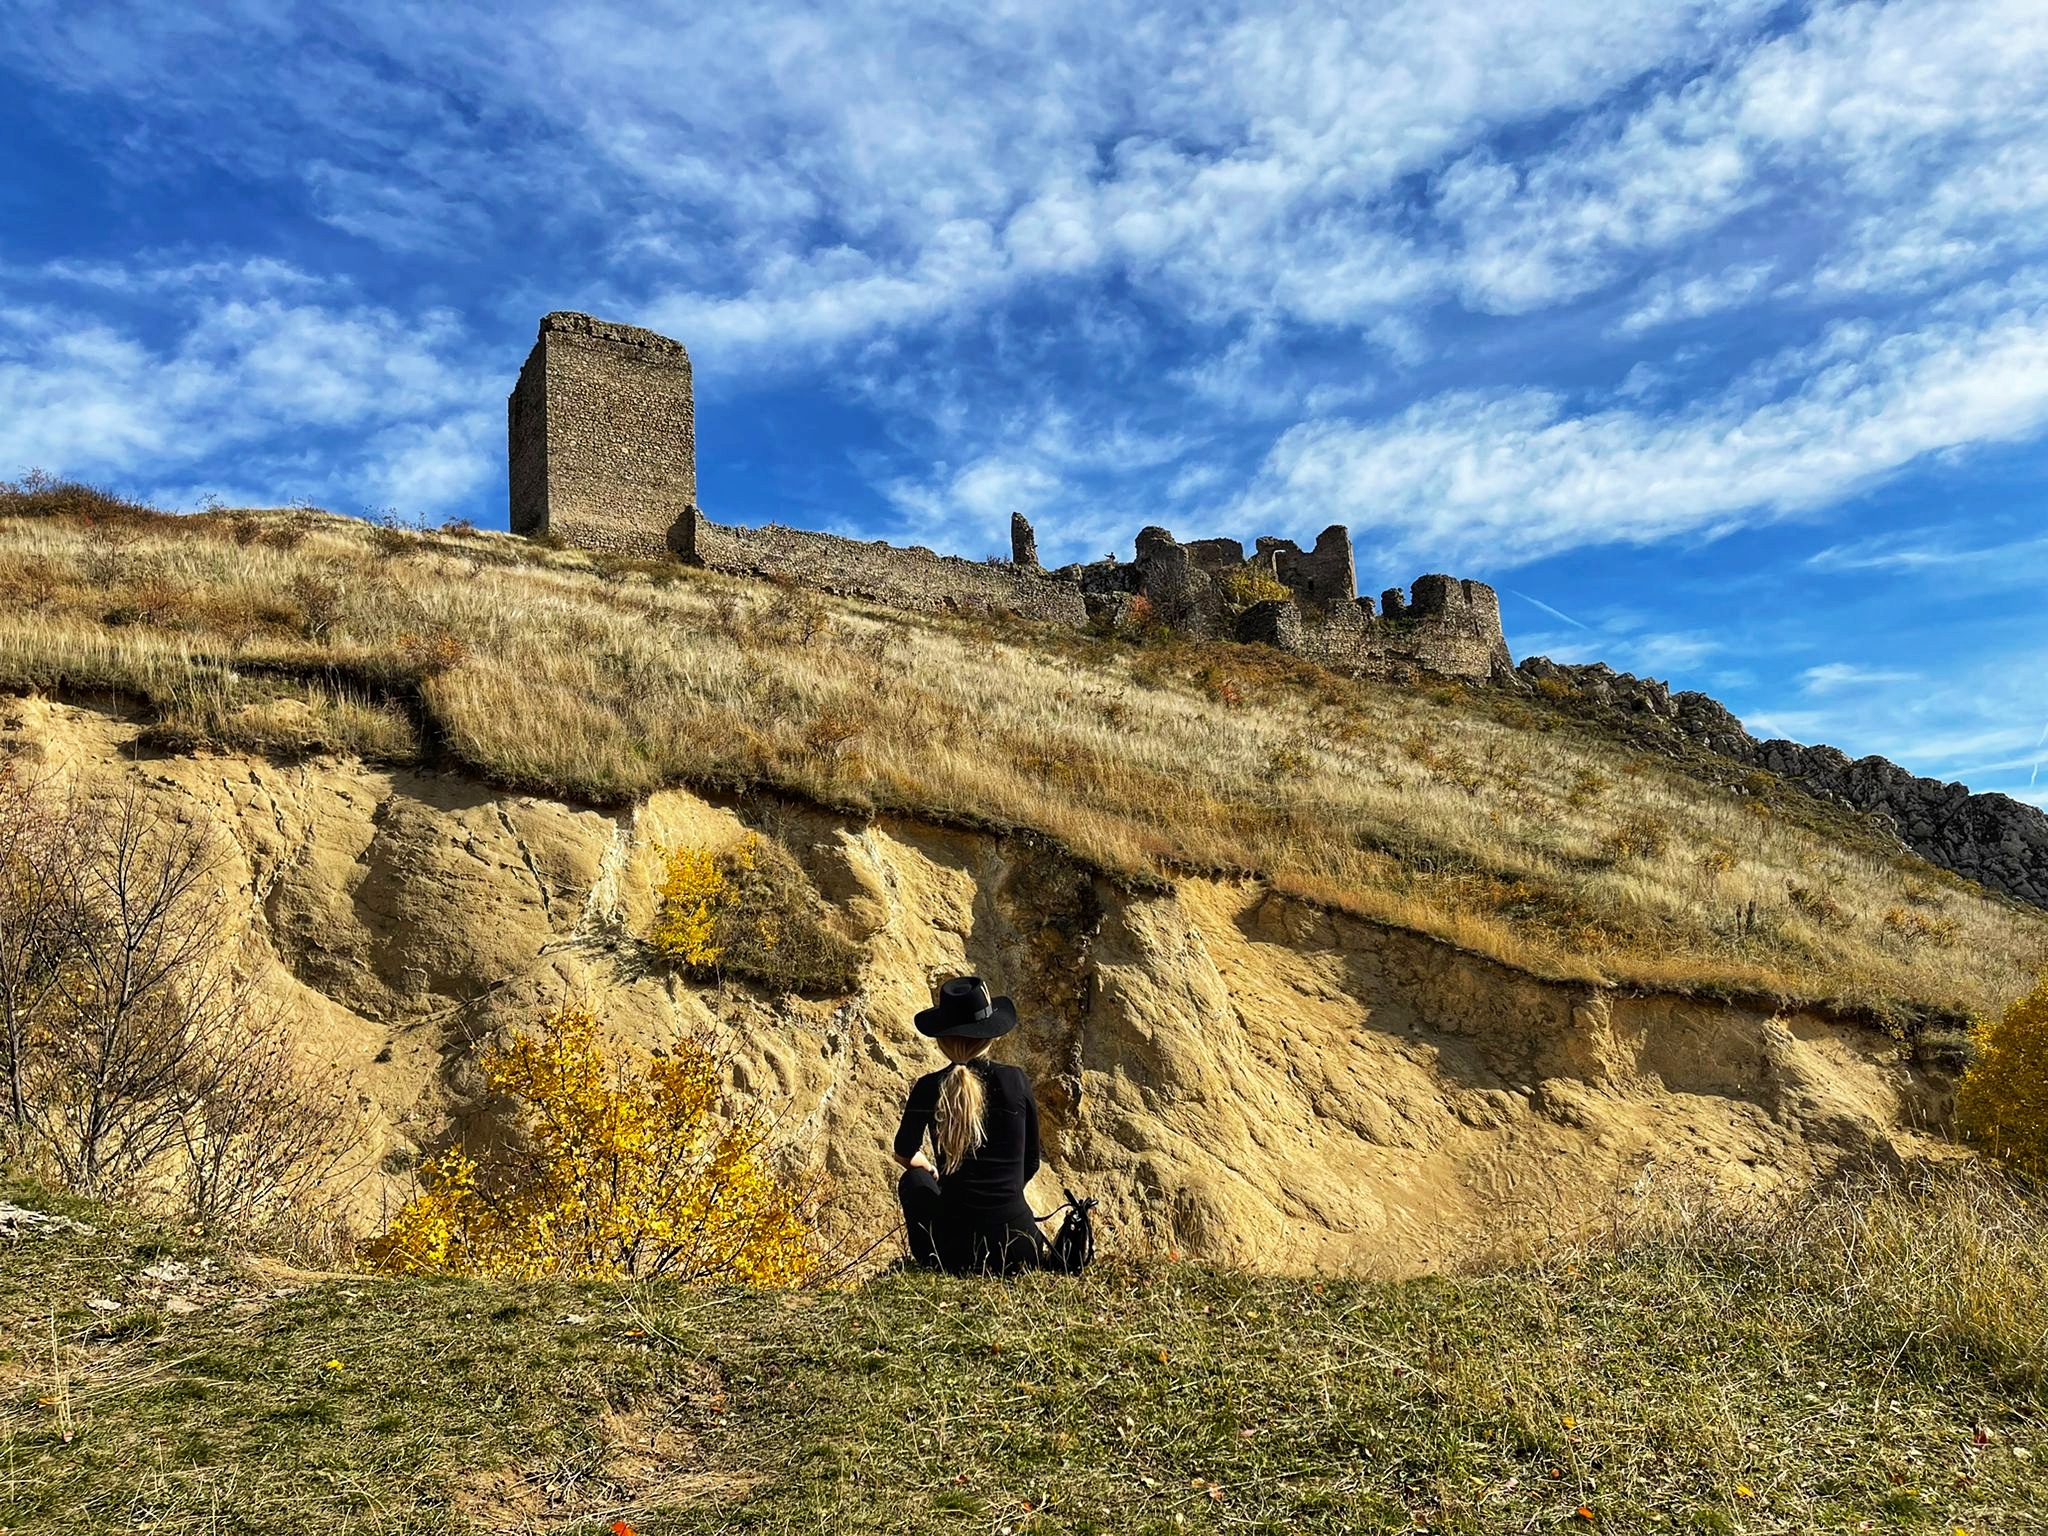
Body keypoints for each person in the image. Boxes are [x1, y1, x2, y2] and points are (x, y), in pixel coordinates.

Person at [892, 976, 1046, 1275]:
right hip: (1018, 1246)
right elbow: (1031, 1163)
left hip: (954, 1252)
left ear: (942, 1040)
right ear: (990, 1035)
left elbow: (903, 1153)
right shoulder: (1016, 1080)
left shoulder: (928, 1087)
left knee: (913, 1181)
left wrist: (928, 1166)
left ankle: (934, 1261)